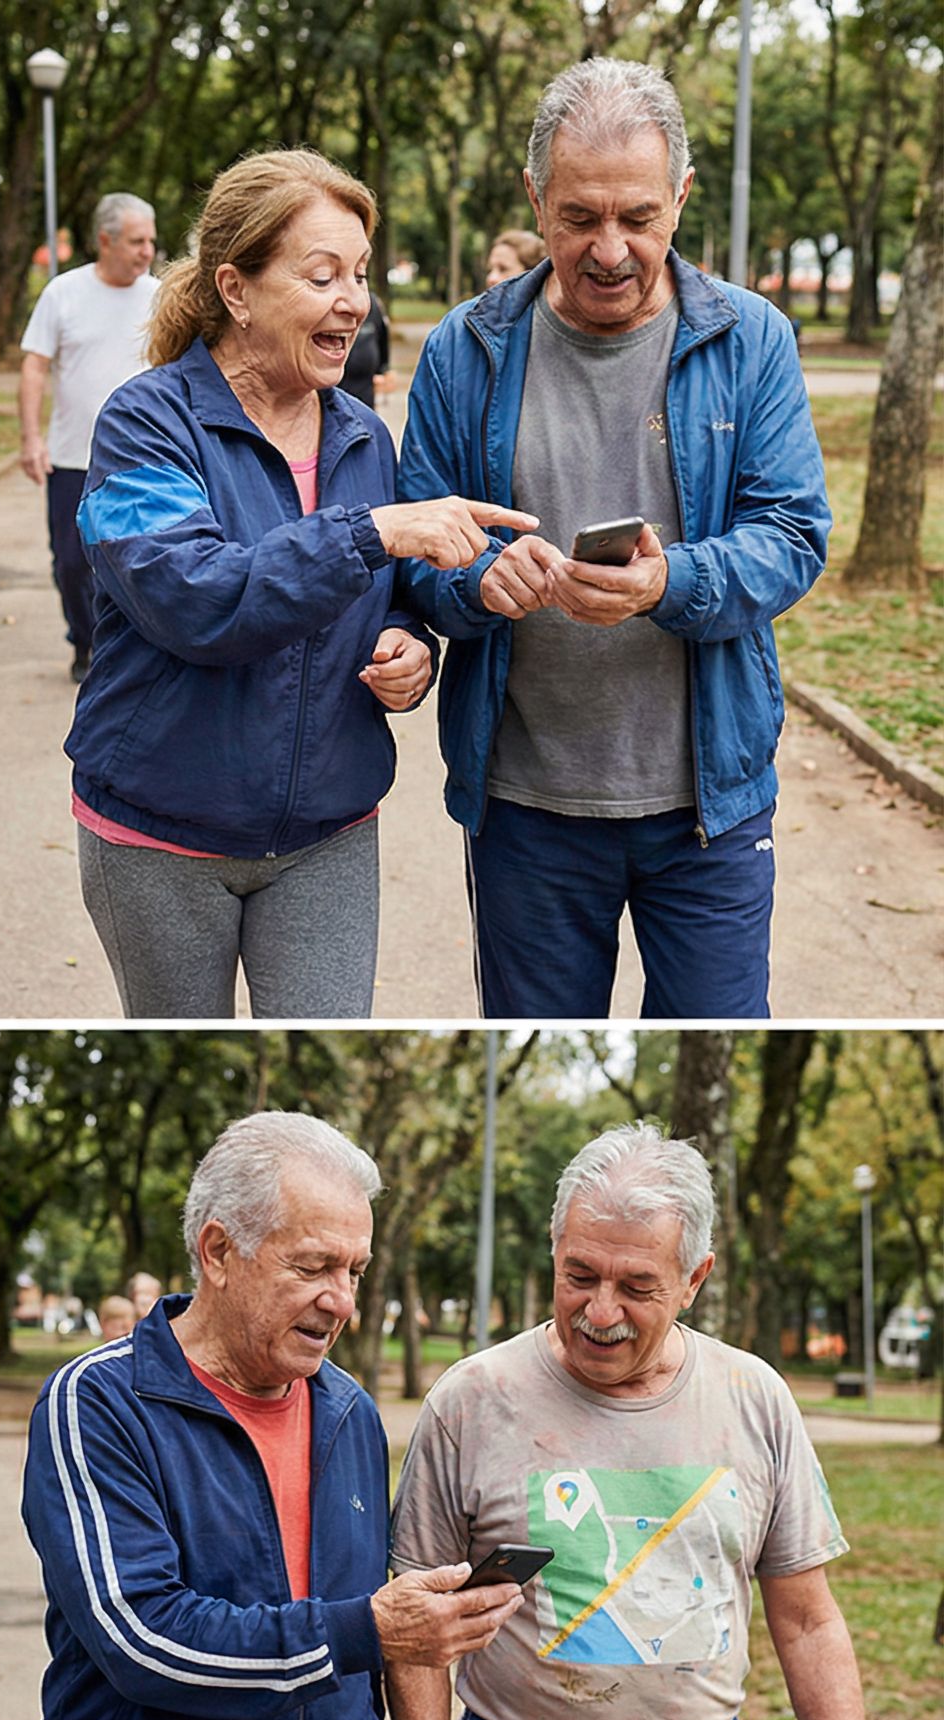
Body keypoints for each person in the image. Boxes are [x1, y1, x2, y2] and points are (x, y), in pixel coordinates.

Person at [389, 1122, 897, 1720]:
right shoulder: (470, 1402)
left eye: (637, 1287)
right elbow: (413, 1636)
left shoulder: (754, 1399)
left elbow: (811, 1623)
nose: (599, 1311)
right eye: (580, 1274)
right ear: (553, 1251)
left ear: (695, 1279)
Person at [20, 1112, 523, 1720]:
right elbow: (143, 1641)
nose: (342, 1301)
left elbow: (387, 1636)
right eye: (313, 1267)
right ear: (218, 1250)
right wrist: (365, 1630)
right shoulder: (96, 1403)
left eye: (355, 1273)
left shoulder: (349, 1413)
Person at [397, 58, 831, 1019]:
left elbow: (794, 535)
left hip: (709, 811)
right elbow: (418, 557)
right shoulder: (462, 351)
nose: (608, 249)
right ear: (535, 197)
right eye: (579, 216)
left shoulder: (751, 338)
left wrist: (669, 580)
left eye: (638, 218)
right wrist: (478, 584)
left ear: (680, 198)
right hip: (525, 806)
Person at [67, 150, 534, 1021]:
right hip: (160, 836)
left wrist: (409, 647)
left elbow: (386, 590)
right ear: (236, 290)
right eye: (322, 276)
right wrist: (374, 531)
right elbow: (197, 600)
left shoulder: (363, 436)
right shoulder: (144, 425)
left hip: (330, 834)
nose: (354, 301)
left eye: (359, 274)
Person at [19, 193, 161, 685]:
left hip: (144, 459)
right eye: (137, 241)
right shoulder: (63, 293)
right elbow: (35, 365)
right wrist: (31, 439)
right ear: (106, 241)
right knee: (73, 564)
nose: (148, 251)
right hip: (72, 456)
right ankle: (84, 640)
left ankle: (126, 649)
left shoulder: (160, 298)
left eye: (151, 241)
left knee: (139, 558)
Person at [339, 289, 390, 409]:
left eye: (359, 277)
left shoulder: (372, 304)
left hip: (364, 392)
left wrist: (383, 369)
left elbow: (383, 337)